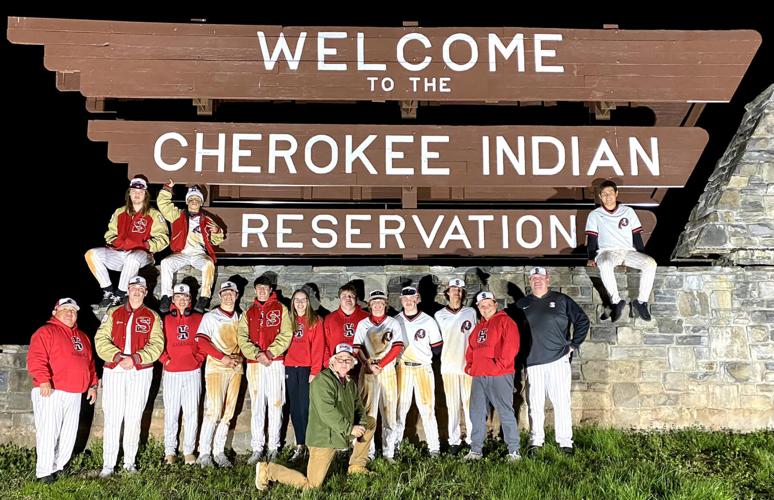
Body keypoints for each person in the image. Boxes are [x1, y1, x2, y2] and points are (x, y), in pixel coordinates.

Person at [255, 343, 375, 491]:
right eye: (340, 359)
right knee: (312, 486)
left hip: (340, 432)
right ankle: (267, 471)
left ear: (352, 363)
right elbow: (327, 412)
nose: (344, 363)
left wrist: (361, 424)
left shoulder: (350, 383)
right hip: (324, 438)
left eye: (348, 360)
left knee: (370, 422)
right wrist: (350, 428)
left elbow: (358, 407)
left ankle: (356, 466)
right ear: (332, 361)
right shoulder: (322, 381)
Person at [95, 275, 164, 477]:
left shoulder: (152, 316)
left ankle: (129, 462)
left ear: (145, 292)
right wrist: (117, 356)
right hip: (114, 370)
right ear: (128, 290)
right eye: (133, 288)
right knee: (113, 416)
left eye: (140, 289)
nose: (136, 292)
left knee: (134, 416)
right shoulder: (113, 312)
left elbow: (157, 345)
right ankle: (108, 464)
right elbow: (101, 339)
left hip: (140, 371)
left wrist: (135, 358)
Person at [517, 267, 589, 455]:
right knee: (535, 403)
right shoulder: (522, 304)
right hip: (533, 362)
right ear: (530, 281)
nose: (537, 280)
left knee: (561, 402)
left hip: (558, 359)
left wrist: (574, 344)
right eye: (534, 278)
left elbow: (582, 320)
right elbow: (514, 334)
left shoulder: (561, 300)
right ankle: (536, 441)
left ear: (548, 279)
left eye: (541, 277)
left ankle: (565, 442)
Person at [27, 298, 98, 483]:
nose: (69, 313)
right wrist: (43, 380)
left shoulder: (82, 336)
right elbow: (36, 358)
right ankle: (44, 472)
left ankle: (59, 467)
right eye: (65, 309)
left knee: (68, 434)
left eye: (73, 310)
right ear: (54, 312)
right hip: (51, 390)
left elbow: (89, 364)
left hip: (75, 392)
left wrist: (93, 384)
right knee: (49, 431)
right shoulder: (45, 331)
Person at [85, 175, 169, 307]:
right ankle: (108, 291)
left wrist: (145, 245)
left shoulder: (153, 214)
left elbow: (163, 239)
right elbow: (109, 234)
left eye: (140, 192)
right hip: (120, 253)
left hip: (142, 255)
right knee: (91, 254)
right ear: (129, 193)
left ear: (145, 195)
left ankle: (121, 294)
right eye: (134, 191)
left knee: (133, 258)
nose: (137, 195)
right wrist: (116, 242)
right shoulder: (119, 212)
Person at [237, 275, 293, 465]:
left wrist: (269, 353)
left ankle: (273, 447)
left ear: (271, 290)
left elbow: (287, 334)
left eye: (265, 288)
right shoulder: (248, 312)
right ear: (255, 290)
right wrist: (256, 354)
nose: (262, 290)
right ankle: (257, 447)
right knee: (257, 405)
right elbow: (242, 337)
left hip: (274, 362)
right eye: (258, 287)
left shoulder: (280, 309)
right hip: (255, 364)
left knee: (276, 404)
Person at [585, 180, 656, 321]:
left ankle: (641, 302)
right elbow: (592, 239)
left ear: (616, 194)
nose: (608, 196)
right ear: (600, 196)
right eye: (604, 194)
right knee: (604, 264)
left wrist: (642, 252)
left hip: (628, 251)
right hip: (607, 252)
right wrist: (591, 257)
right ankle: (616, 302)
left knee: (650, 263)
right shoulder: (595, 214)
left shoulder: (628, 211)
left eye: (610, 192)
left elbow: (636, 235)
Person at [463, 291, 521, 462]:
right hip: (479, 375)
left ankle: (514, 451)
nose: (486, 308)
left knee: (505, 411)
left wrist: (499, 366)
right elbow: (471, 348)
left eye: (489, 304)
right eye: (482, 306)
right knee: (477, 413)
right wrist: (470, 366)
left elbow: (511, 346)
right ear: (478, 308)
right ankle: (476, 450)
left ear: (495, 304)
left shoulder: (505, 321)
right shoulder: (478, 327)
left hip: (499, 375)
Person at [194, 281, 244, 468]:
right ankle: (204, 453)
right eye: (225, 293)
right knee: (214, 409)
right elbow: (201, 341)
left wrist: (241, 358)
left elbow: (244, 343)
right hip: (217, 367)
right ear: (220, 295)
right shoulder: (211, 316)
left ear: (237, 295)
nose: (228, 296)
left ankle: (218, 451)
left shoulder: (240, 317)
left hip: (236, 368)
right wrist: (221, 357)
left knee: (228, 412)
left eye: (231, 293)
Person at [157, 180, 225, 314]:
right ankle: (166, 296)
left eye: (197, 199)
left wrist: (218, 231)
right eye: (191, 199)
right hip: (181, 252)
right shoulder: (178, 215)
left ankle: (204, 298)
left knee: (208, 264)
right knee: (166, 262)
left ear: (201, 202)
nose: (194, 201)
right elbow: (163, 204)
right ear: (187, 201)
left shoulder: (207, 219)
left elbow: (216, 240)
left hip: (198, 253)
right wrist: (167, 188)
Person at [353, 289, 406, 461]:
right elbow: (357, 348)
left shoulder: (393, 323)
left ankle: (388, 452)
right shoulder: (363, 324)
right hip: (368, 370)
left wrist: (381, 364)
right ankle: (368, 453)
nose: (377, 306)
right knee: (369, 413)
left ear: (385, 305)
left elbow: (398, 346)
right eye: (374, 303)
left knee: (389, 411)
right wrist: (367, 363)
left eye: (381, 303)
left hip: (386, 370)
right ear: (370, 305)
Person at [394, 286, 443, 456]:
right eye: (405, 299)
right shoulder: (395, 320)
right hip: (403, 367)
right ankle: (395, 447)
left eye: (412, 298)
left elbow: (437, 348)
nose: (408, 301)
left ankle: (434, 448)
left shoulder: (428, 321)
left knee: (427, 409)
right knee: (400, 409)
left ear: (417, 299)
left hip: (422, 368)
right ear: (401, 300)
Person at [159, 283, 205, 465]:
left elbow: (204, 341)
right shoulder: (164, 319)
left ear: (190, 300)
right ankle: (170, 451)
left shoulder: (199, 318)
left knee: (192, 411)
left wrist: (198, 359)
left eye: (185, 297)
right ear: (173, 299)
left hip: (192, 371)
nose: (182, 301)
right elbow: (157, 342)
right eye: (178, 297)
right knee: (171, 412)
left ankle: (189, 451)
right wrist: (165, 359)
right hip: (171, 372)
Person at [434, 278, 477, 454]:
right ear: (447, 293)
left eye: (459, 290)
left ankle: (473, 439)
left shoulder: (471, 312)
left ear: (463, 293)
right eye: (453, 290)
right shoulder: (439, 315)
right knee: (452, 405)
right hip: (449, 365)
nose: (456, 293)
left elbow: (475, 338)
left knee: (469, 404)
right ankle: (454, 440)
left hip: (468, 366)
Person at [284, 288, 325, 463]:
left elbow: (318, 347)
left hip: (307, 368)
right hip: (289, 367)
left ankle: (311, 444)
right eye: (297, 300)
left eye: (303, 299)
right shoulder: (287, 320)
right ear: (292, 302)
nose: (300, 303)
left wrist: (315, 371)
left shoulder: (315, 320)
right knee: (294, 408)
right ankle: (300, 444)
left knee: (306, 407)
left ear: (308, 302)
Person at [322, 282, 368, 366]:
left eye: (351, 295)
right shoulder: (330, 319)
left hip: (362, 365)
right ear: (339, 298)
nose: (348, 298)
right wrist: (328, 363)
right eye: (344, 296)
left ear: (356, 298)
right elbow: (325, 344)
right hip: (338, 365)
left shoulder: (366, 317)